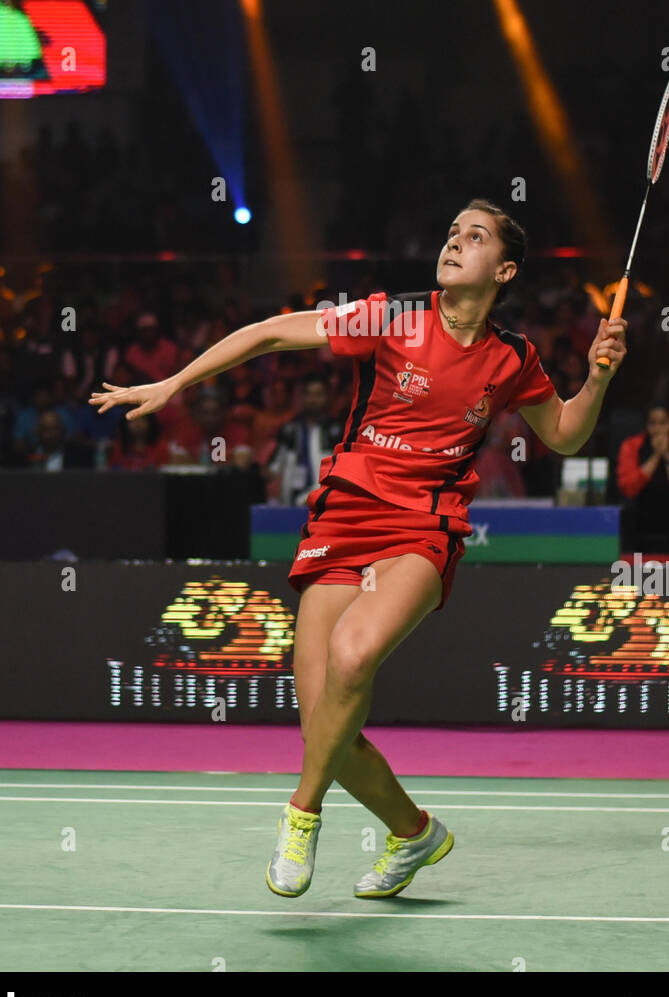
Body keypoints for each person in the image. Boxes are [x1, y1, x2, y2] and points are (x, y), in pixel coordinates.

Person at [89, 198, 627, 901]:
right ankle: (415, 834)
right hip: (342, 518)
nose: (453, 242)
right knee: (323, 723)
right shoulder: (391, 317)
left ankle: (299, 815)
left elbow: (560, 434)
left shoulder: (511, 358)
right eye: (450, 231)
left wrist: (598, 377)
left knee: (351, 658)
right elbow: (268, 335)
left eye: (474, 236)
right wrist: (175, 383)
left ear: (505, 268)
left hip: (423, 529)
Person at [616, 403, 669, 552]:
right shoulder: (631, 446)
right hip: (643, 506)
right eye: (652, 424)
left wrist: (667, 456)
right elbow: (628, 489)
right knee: (627, 508)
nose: (658, 429)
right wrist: (656, 456)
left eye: (663, 423)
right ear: (646, 426)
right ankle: (627, 564)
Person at [267, 372, 343, 505]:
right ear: (302, 397)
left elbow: (342, 470)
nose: (313, 400)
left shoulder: (337, 430)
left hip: (325, 502)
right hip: (291, 503)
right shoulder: (289, 429)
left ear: (328, 397)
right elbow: (273, 468)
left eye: (318, 394)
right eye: (309, 394)